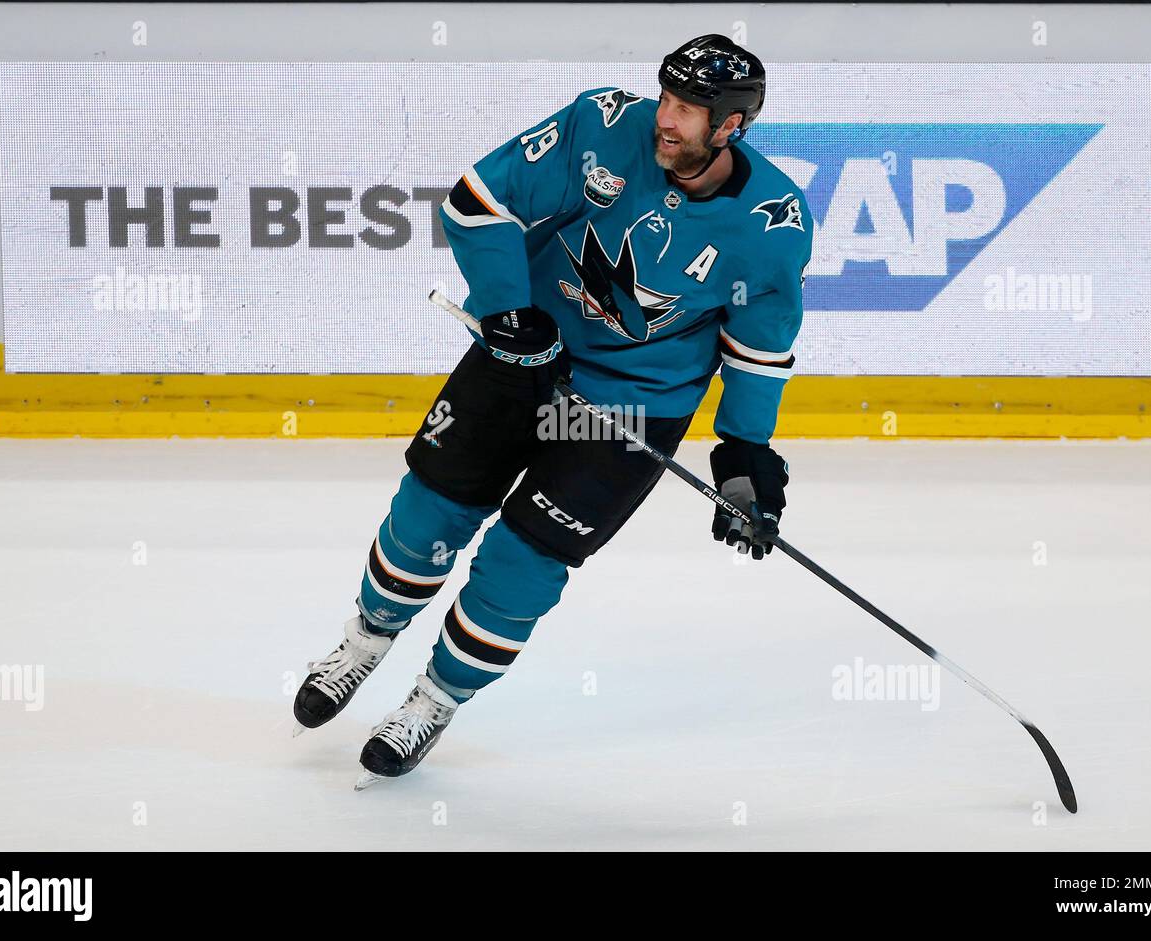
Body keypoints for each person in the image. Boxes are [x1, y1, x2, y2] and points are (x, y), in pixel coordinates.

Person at [292, 34, 814, 786]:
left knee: (524, 560)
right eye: (666, 98)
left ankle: (436, 697)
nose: (667, 119)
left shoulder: (773, 222)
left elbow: (758, 347)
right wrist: (508, 315)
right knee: (428, 515)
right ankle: (365, 642)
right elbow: (479, 200)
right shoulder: (600, 123)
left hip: (631, 407)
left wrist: (744, 457)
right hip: (522, 359)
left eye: (690, 111)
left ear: (731, 125)